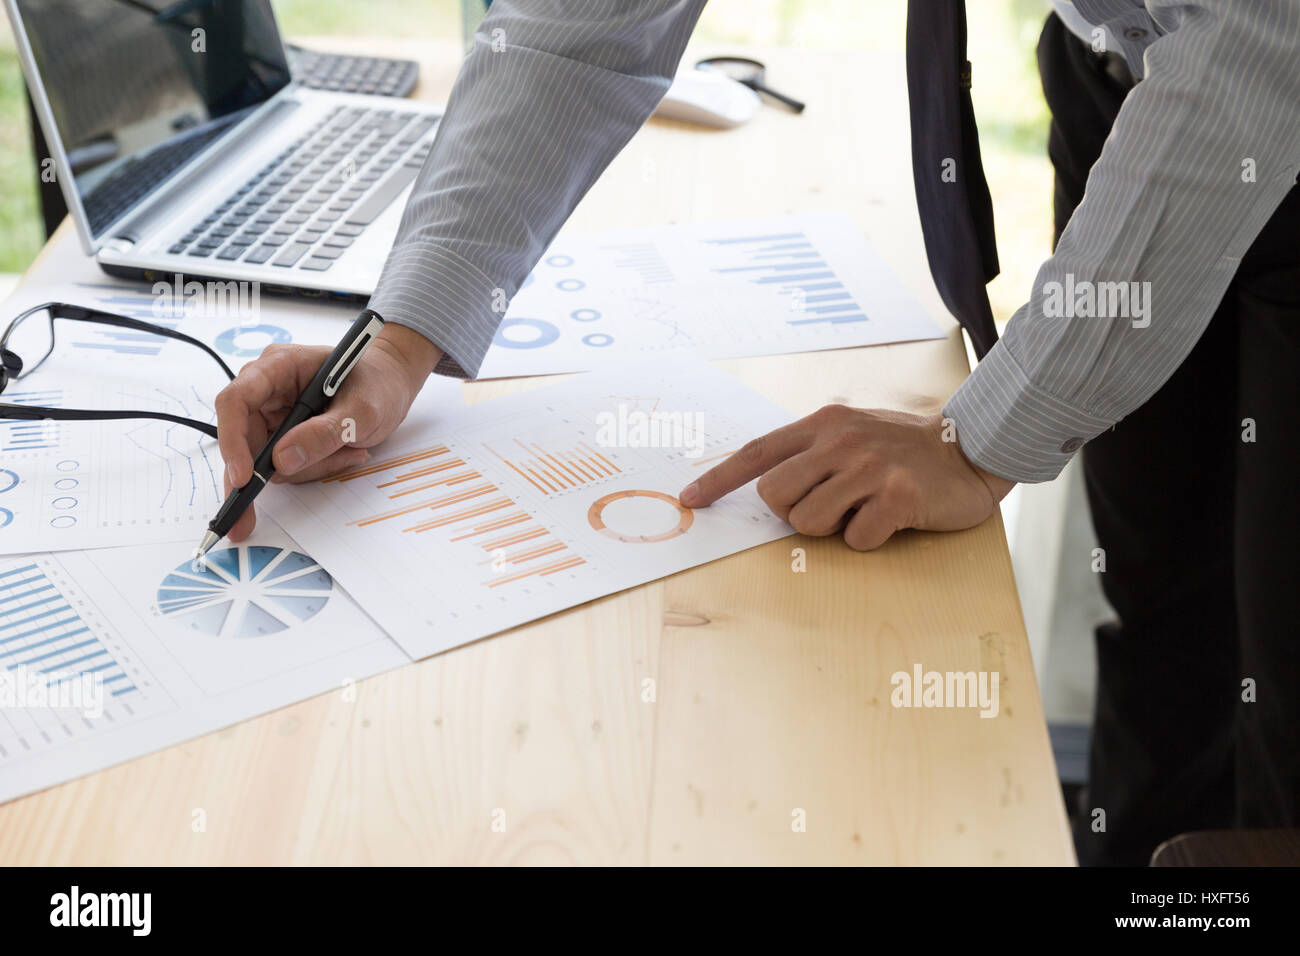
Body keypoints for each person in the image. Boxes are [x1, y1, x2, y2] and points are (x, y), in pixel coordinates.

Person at [214, 0, 1300, 865]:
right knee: (1166, 612)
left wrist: (978, 441)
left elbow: (1263, 39)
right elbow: (589, 21)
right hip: (1134, 79)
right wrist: (404, 338)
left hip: (1261, 62)